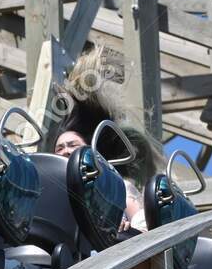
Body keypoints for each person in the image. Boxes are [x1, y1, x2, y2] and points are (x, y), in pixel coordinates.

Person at [51, 46, 165, 230]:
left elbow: (141, 223)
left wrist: (119, 225)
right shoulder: (51, 190)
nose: (66, 150)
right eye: (60, 148)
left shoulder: (115, 187)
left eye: (72, 145)